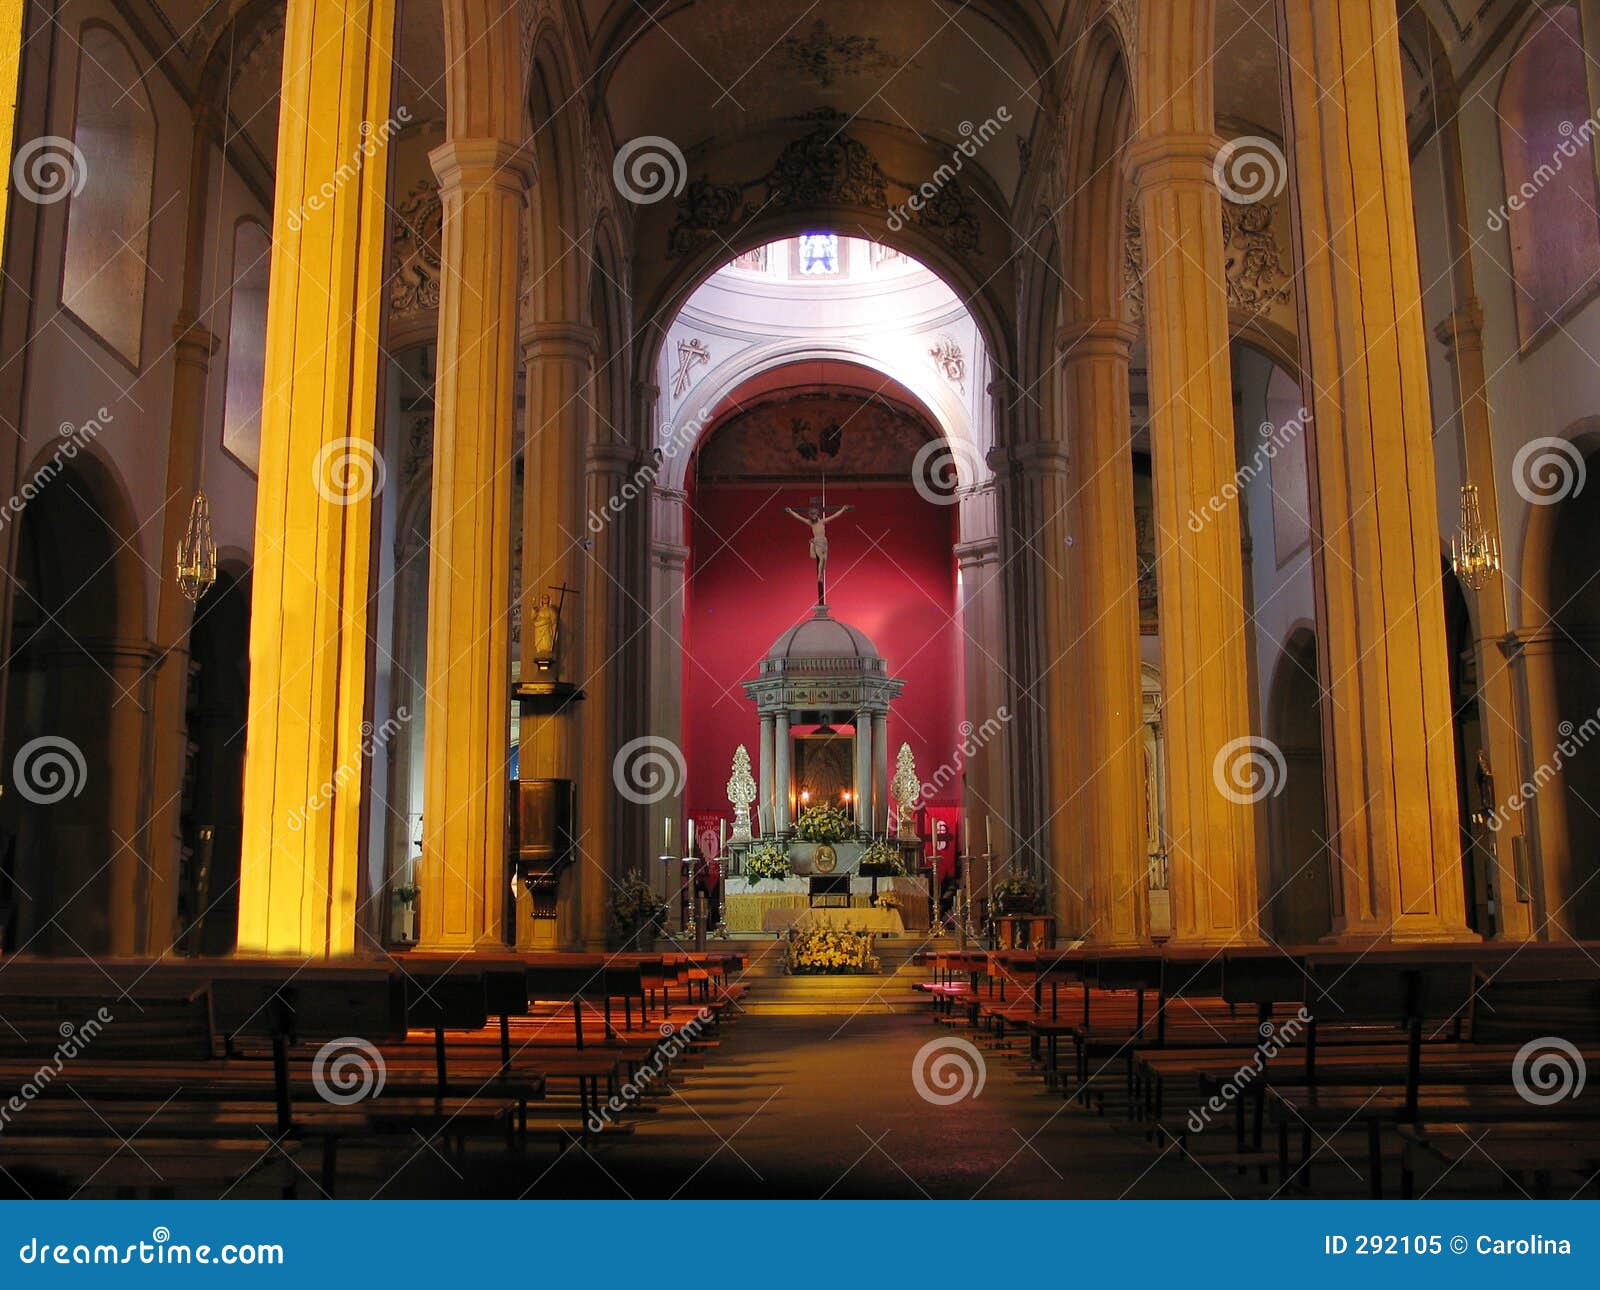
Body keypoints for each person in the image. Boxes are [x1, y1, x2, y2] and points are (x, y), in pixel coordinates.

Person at [785, 501, 853, 604]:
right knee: (821, 558)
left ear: (817, 515)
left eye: (814, 515)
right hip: (817, 541)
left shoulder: (822, 522)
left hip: (824, 541)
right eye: (811, 515)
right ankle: (820, 576)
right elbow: (798, 517)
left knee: (825, 559)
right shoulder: (810, 522)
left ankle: (821, 573)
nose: (813, 517)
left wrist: (843, 509)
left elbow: (834, 516)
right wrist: (790, 511)